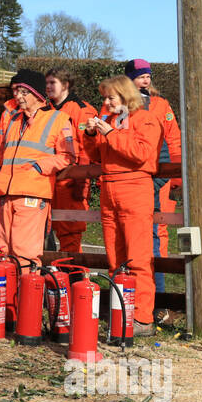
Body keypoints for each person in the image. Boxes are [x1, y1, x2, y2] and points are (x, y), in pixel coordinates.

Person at [81, 74, 163, 337]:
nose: (105, 102)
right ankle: (120, 313)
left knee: (138, 258)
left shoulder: (146, 118)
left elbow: (141, 153)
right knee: (115, 260)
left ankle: (142, 318)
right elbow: (96, 155)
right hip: (109, 189)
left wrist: (111, 133)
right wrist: (91, 135)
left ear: (126, 96)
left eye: (110, 97)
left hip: (135, 188)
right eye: (104, 97)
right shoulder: (111, 121)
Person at [0, 69, 77, 263]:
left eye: (23, 92)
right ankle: (9, 292)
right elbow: (0, 151)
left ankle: (27, 293)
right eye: (17, 92)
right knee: (3, 254)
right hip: (6, 193)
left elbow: (68, 156)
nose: (17, 96)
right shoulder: (13, 120)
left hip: (32, 194)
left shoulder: (59, 119)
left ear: (37, 94)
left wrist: (39, 167)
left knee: (25, 254)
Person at [125, 59, 182, 304]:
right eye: (140, 76)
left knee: (157, 234)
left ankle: (158, 297)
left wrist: (175, 175)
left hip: (159, 180)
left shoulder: (161, 105)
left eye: (148, 76)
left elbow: (174, 140)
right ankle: (133, 295)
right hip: (132, 181)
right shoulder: (121, 104)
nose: (146, 80)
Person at [46, 68, 99, 253]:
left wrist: (81, 184)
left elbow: (88, 149)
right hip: (47, 179)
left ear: (65, 85)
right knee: (43, 231)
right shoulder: (46, 109)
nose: (48, 87)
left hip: (70, 182)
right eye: (47, 83)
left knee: (70, 233)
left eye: (53, 83)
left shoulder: (82, 110)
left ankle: (74, 276)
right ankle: (52, 276)